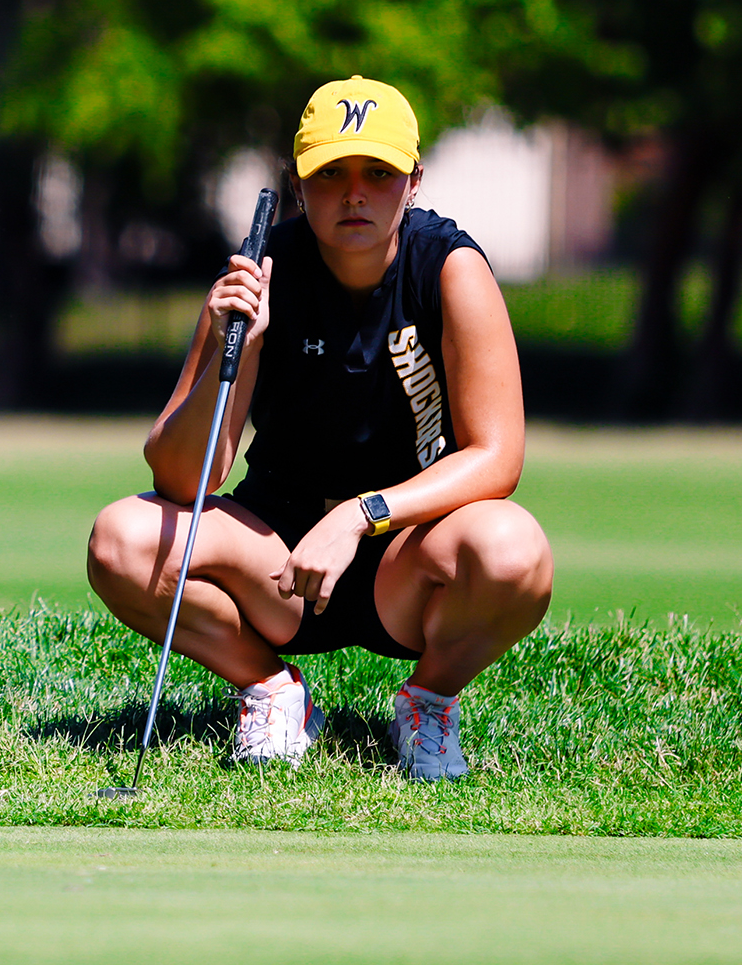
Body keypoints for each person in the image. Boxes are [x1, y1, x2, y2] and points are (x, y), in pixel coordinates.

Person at [85, 76, 552, 780]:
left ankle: (428, 701)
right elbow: (181, 477)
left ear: (414, 180)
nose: (354, 194)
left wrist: (361, 517)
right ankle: (272, 690)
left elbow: (498, 458)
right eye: (331, 173)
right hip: (278, 561)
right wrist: (235, 345)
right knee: (120, 539)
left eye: (378, 173)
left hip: (407, 554)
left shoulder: (450, 267)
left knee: (515, 548)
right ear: (299, 185)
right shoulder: (259, 274)